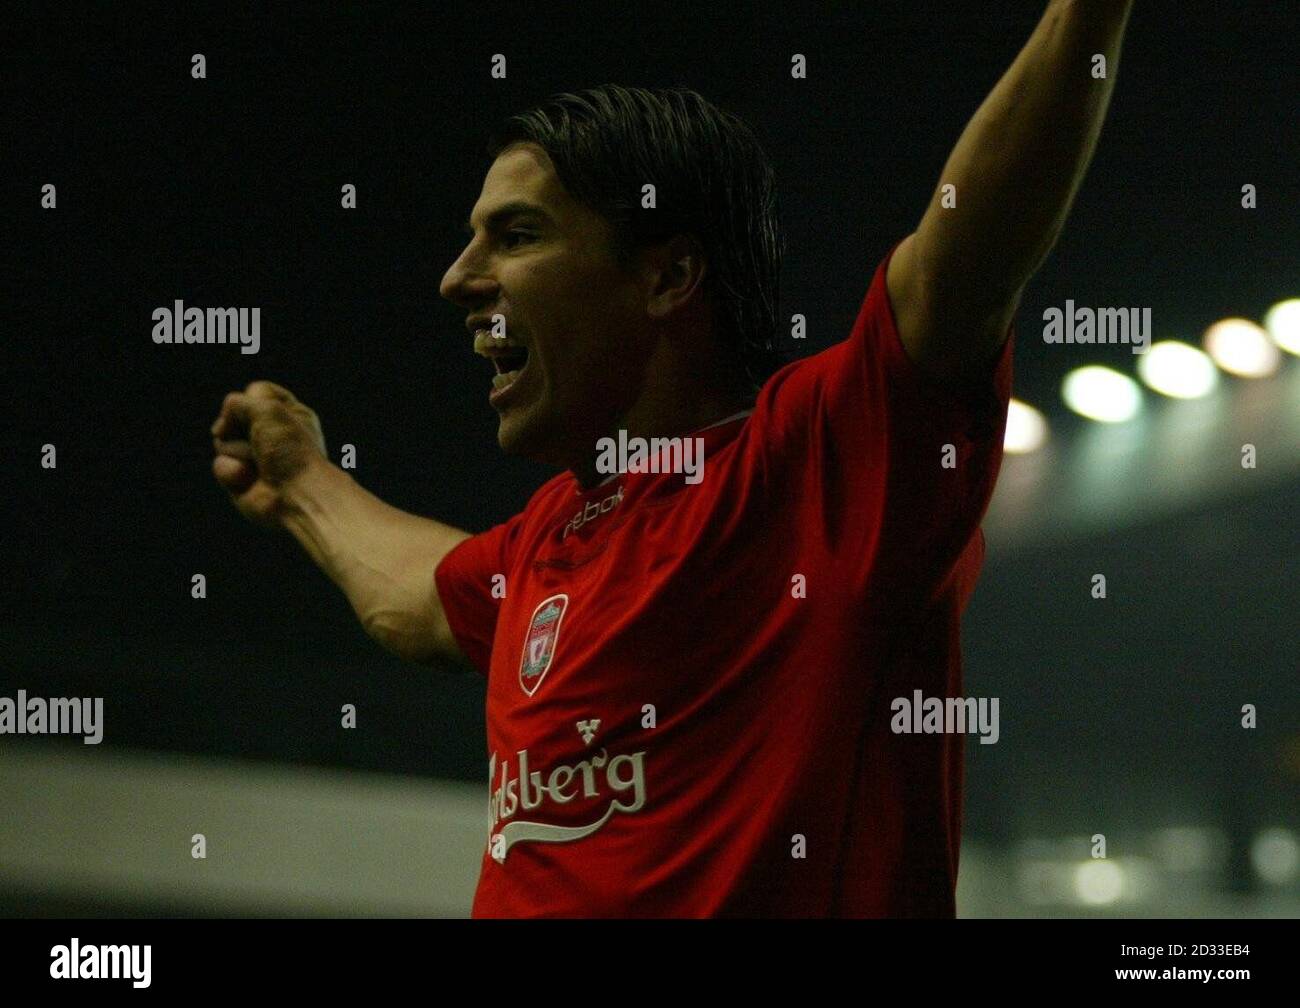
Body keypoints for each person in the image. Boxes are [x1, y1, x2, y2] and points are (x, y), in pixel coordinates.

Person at [211, 1, 1135, 916]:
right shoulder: (548, 543)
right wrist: (302, 480)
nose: (457, 277)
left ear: (666, 276)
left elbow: (965, 260)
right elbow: (409, 596)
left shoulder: (817, 463)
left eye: (517, 234)